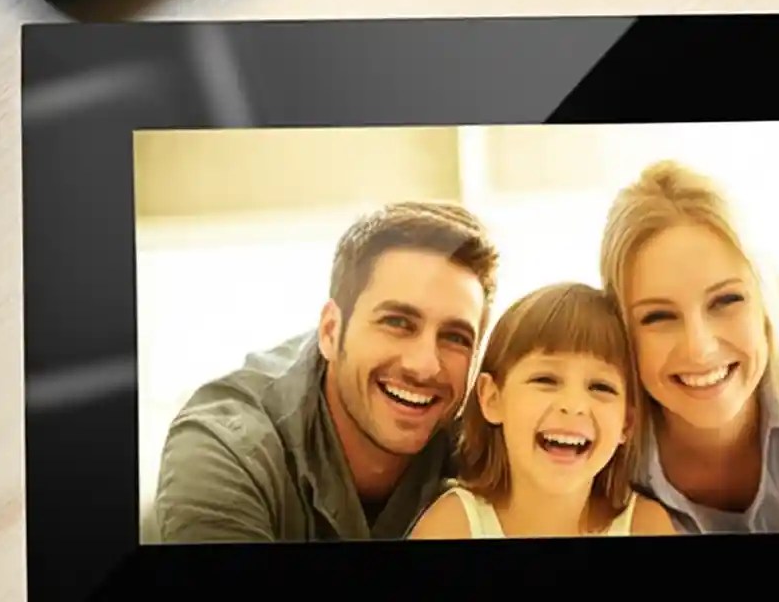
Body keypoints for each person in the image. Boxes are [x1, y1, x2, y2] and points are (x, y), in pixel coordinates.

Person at [153, 201, 500, 542]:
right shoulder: (226, 451)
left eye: (455, 337)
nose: (425, 366)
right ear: (331, 331)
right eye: (397, 322)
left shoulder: (486, 437)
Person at [599, 160, 779, 534]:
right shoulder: (606, 450)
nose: (700, 349)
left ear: (766, 303)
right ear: (622, 333)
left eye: (726, 301)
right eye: (658, 317)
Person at [409, 282, 677, 538]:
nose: (573, 406)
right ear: (492, 398)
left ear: (627, 423)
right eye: (546, 380)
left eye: (601, 387)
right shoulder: (453, 524)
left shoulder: (646, 525)